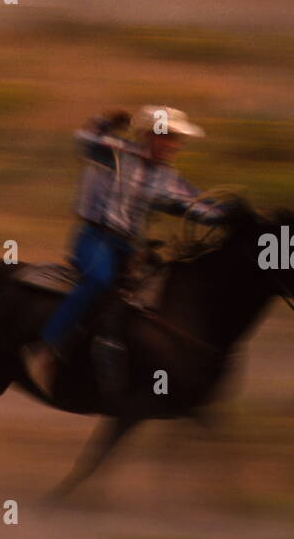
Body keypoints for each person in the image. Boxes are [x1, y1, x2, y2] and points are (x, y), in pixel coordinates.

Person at [23, 105, 230, 399]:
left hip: (128, 245)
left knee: (150, 295)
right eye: (168, 137)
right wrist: (105, 121)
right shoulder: (114, 153)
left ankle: (116, 359)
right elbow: (84, 140)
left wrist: (233, 215)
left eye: (177, 140)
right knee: (98, 280)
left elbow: (195, 205)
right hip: (95, 237)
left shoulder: (166, 177)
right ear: (149, 135)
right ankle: (45, 346)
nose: (174, 146)